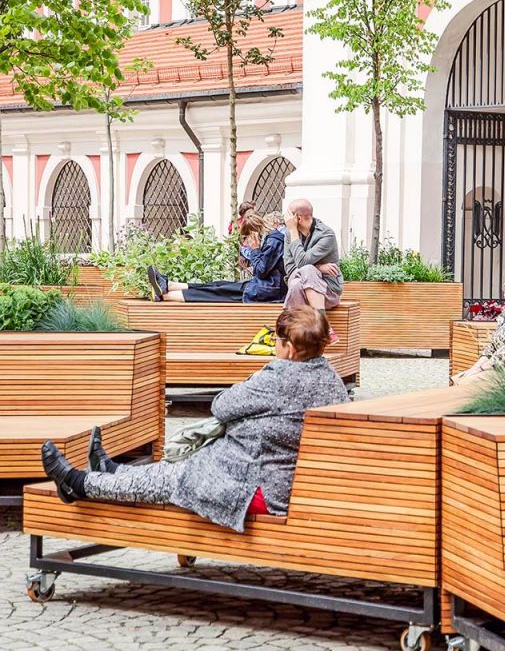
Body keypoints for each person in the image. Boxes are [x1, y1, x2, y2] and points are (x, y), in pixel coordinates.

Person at [39, 306, 348, 525]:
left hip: (259, 489)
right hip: (287, 479)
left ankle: (77, 483)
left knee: (172, 480)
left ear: (291, 348)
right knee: (176, 471)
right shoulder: (331, 378)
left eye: (276, 342)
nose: (274, 348)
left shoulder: (278, 376)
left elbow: (222, 405)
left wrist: (254, 382)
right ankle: (111, 470)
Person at [147, 208, 286, 304]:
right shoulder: (270, 240)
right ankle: (169, 285)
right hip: (262, 287)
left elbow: (261, 271)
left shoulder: (273, 242)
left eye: (247, 236)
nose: (247, 241)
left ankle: (165, 295)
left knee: (216, 292)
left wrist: (255, 250)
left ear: (254, 232)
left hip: (266, 291)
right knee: (218, 285)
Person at [282, 198, 342, 311]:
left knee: (305, 272)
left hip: (327, 292)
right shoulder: (289, 234)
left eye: (288, 215)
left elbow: (302, 263)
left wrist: (294, 231)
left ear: (297, 218)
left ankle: (298, 326)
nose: (286, 220)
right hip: (299, 287)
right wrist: (319, 268)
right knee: (298, 282)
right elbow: (289, 269)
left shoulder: (326, 235)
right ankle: (324, 326)